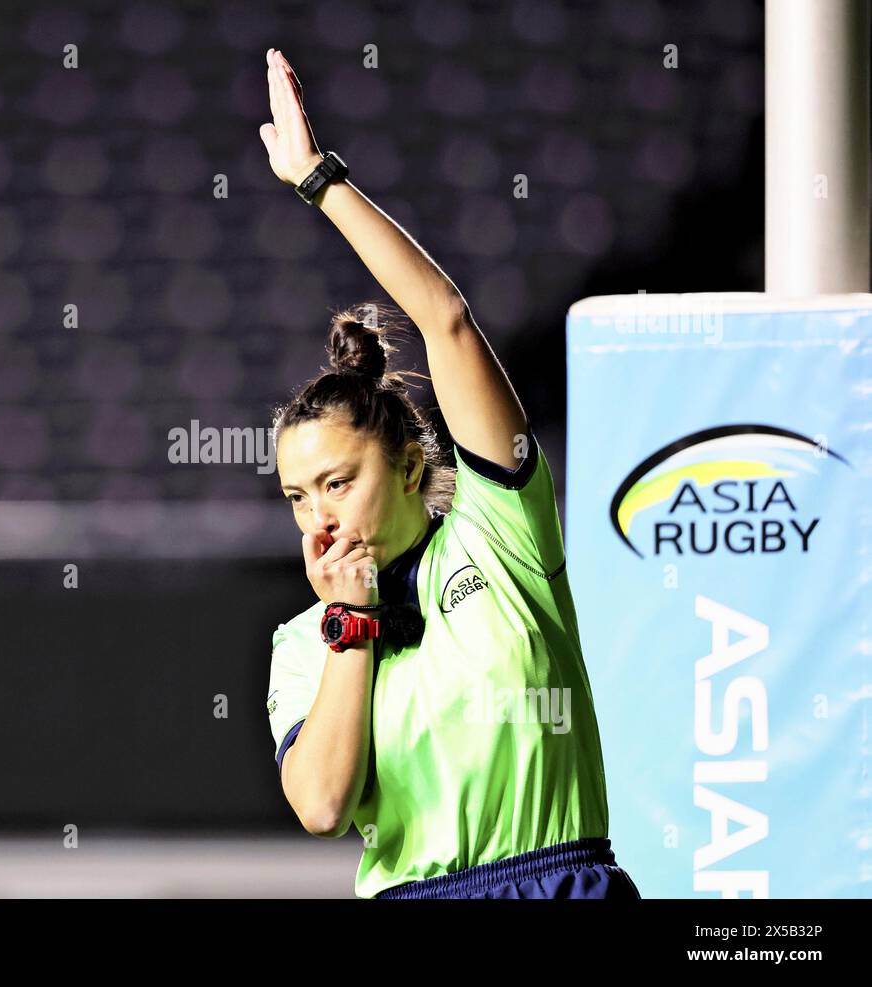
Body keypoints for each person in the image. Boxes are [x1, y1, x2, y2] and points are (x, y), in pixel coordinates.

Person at [260, 47, 640, 900]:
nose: (316, 515)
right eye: (295, 496)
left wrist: (319, 182)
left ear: (405, 463)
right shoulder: (302, 644)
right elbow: (321, 805)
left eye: (336, 481)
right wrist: (350, 622)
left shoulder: (498, 529)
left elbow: (447, 321)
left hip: (556, 884)